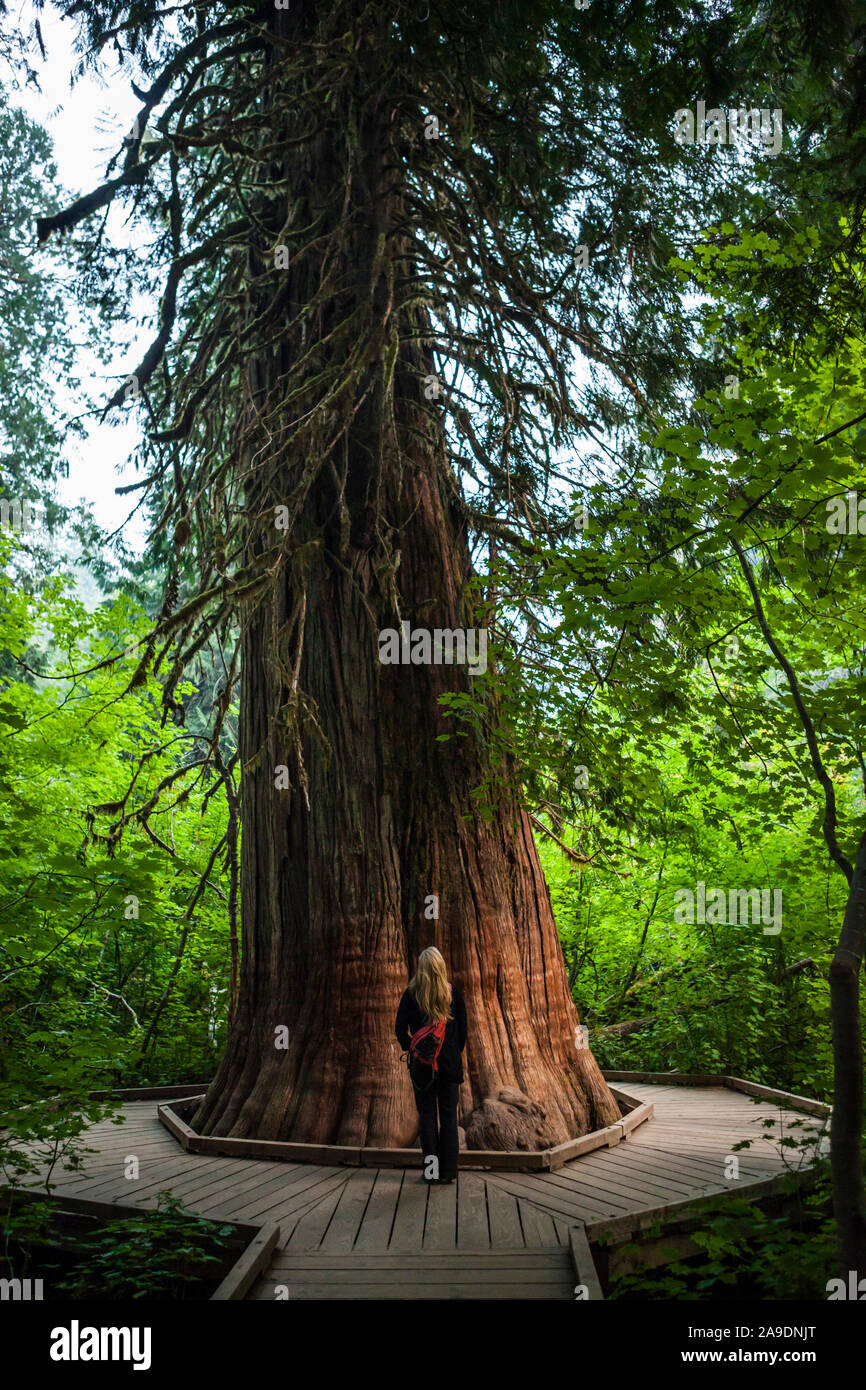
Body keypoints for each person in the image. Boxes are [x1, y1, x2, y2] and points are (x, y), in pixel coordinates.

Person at [395, 946, 467, 1185]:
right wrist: (451, 1054)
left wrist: (413, 1048)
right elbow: (463, 1032)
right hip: (449, 1068)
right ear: (440, 968)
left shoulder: (411, 994)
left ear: (421, 968)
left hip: (422, 1067)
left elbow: (399, 1028)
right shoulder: (453, 994)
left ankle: (431, 1172)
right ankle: (448, 1173)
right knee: (448, 1118)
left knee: (427, 1116)